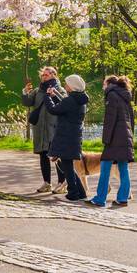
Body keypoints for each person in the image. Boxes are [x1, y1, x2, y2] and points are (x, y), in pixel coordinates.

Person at [91, 75, 135, 208]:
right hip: (125, 136)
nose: (103, 86)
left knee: (105, 166)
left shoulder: (111, 95)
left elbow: (110, 120)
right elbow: (131, 119)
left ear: (109, 84)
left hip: (114, 137)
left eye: (104, 83)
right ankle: (122, 198)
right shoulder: (125, 96)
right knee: (123, 168)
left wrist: (106, 139)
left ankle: (100, 198)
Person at [21, 66, 66, 194]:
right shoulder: (38, 91)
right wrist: (25, 92)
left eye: (46, 75)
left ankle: (62, 184)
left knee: (57, 156)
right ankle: (47, 183)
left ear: (54, 75)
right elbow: (28, 102)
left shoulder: (60, 89)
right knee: (43, 155)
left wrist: (54, 94)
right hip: (40, 128)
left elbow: (64, 103)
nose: (43, 77)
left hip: (54, 127)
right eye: (42, 75)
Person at [46, 74, 89, 202]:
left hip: (66, 136)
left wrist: (47, 97)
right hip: (73, 136)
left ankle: (73, 193)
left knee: (67, 166)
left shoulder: (70, 100)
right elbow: (65, 104)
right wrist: (56, 96)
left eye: (67, 84)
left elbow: (53, 110)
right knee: (68, 165)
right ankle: (81, 192)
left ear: (72, 86)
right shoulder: (79, 99)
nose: (65, 86)